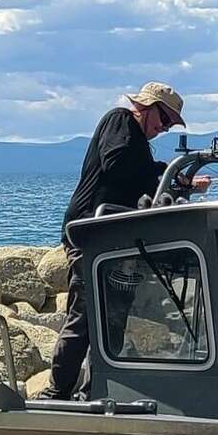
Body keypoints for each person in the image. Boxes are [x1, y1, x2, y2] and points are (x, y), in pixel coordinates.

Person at [47, 82, 207, 400]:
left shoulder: (140, 149)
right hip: (91, 234)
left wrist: (180, 184)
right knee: (85, 315)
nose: (164, 128)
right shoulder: (119, 120)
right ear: (147, 108)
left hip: (116, 241)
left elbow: (143, 183)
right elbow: (117, 164)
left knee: (113, 320)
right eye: (164, 120)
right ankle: (57, 392)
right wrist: (165, 173)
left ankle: (94, 391)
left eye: (170, 125)